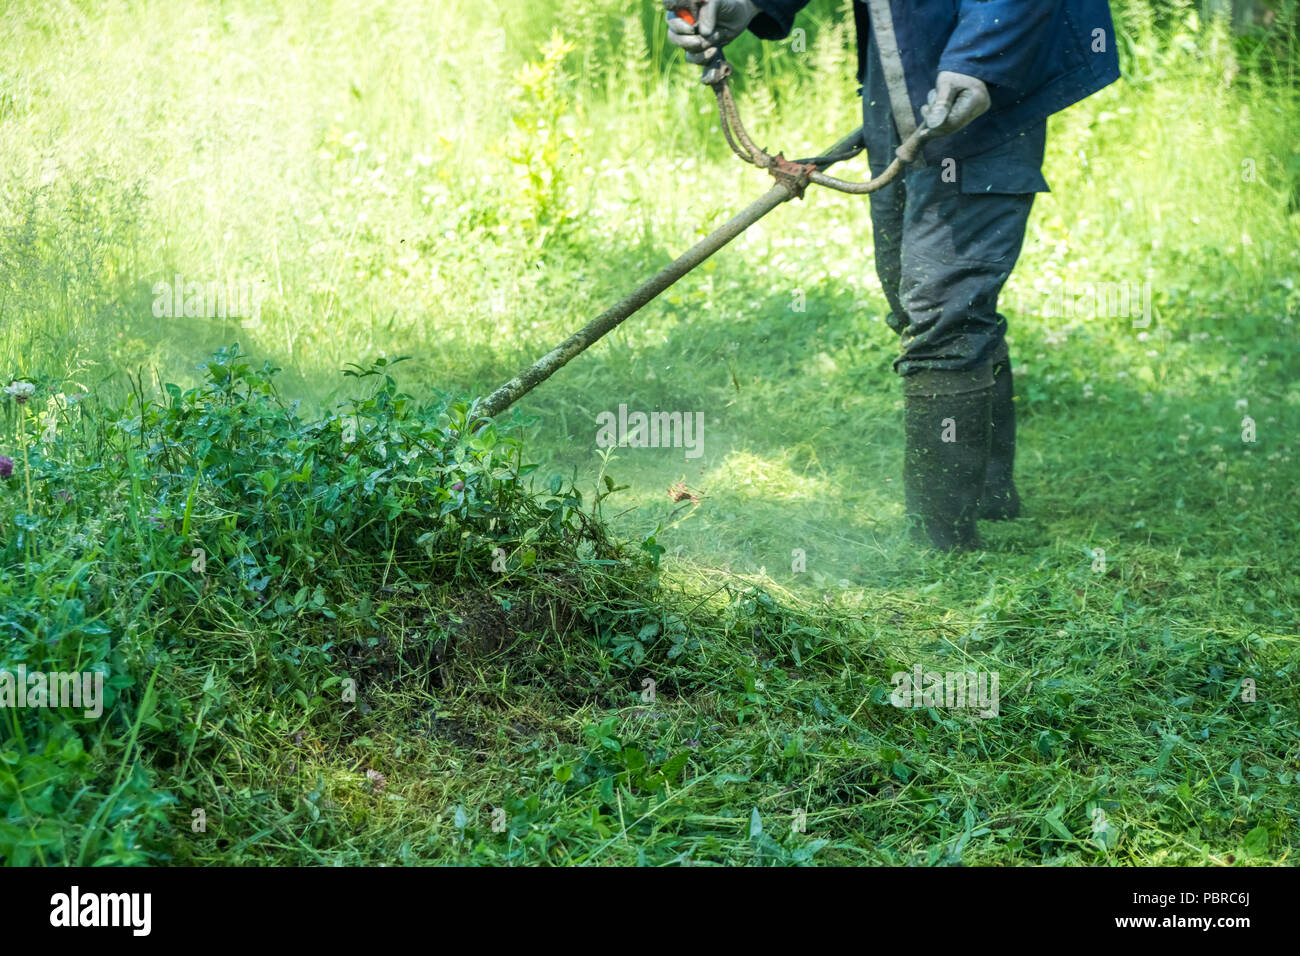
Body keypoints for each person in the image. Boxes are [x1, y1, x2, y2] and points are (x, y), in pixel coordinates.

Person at [667, 0, 1120, 550]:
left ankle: (940, 542)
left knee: (942, 305)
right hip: (897, 45)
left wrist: (983, 57)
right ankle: (986, 494)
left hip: (992, 47)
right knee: (911, 295)